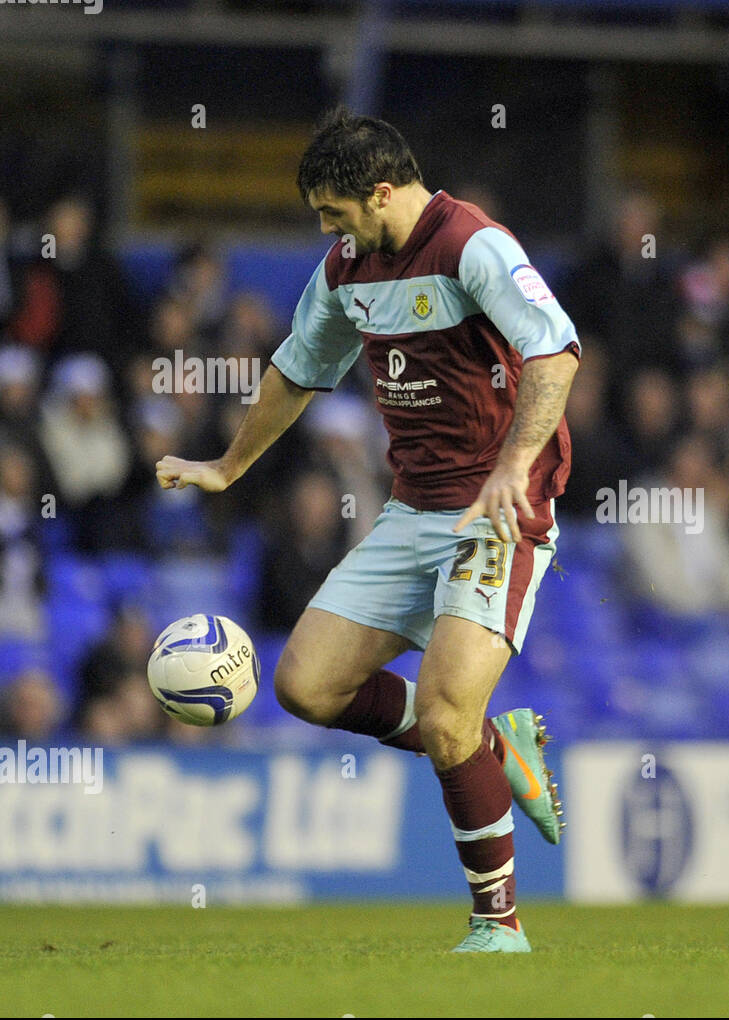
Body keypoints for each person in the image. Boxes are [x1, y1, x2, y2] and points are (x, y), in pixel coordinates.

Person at [156, 108, 579, 953]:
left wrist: (512, 463)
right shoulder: (348, 266)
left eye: (332, 211)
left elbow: (556, 352)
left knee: (448, 715)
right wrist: (227, 467)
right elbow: (296, 368)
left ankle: (498, 924)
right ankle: (505, 748)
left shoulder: (473, 246)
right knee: (306, 686)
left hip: (499, 509)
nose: (324, 228)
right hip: (411, 507)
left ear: (381, 192)